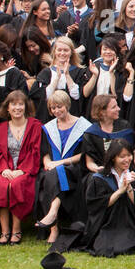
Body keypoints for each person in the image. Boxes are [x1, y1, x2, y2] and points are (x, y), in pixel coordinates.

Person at [34, 90, 91, 244]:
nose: (56, 111)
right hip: (52, 169)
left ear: (67, 105)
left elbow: (85, 154)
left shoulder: (84, 126)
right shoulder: (49, 128)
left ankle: (53, 224)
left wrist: (60, 163)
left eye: (59, 107)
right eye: (53, 108)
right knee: (51, 175)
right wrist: (46, 162)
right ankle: (53, 223)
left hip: (74, 169)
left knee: (54, 174)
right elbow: (44, 151)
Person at [0, 90, 44, 245]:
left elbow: (36, 151)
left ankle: (16, 230)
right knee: (0, 185)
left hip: (26, 170)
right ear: (7, 108)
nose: (17, 108)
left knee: (17, 185)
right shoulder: (1, 128)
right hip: (5, 169)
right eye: (13, 104)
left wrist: (22, 170)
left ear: (26, 107)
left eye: (21, 104)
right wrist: (4, 170)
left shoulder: (35, 126)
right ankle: (5, 231)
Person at [83, 141, 135, 256]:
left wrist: (128, 188)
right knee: (104, 247)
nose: (127, 159)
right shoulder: (100, 178)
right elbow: (98, 206)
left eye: (129, 155)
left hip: (130, 223)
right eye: (122, 157)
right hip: (108, 222)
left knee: (131, 246)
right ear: (113, 158)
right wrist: (120, 191)